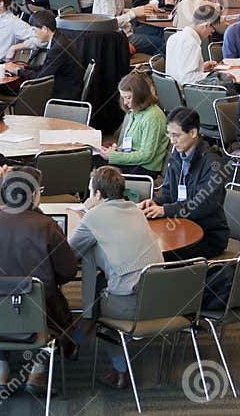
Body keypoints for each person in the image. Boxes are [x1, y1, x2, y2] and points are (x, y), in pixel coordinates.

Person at [69, 166, 164, 389]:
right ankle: (82, 332)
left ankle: (120, 369)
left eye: (90, 192)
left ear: (98, 195)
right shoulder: (134, 209)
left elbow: (68, 254)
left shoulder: (94, 216)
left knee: (99, 310)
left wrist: (87, 210)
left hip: (131, 303)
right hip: (162, 295)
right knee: (102, 277)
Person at [0, 168, 78, 395]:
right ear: (32, 195)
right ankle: (37, 373)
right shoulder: (47, 226)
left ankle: (1, 373)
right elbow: (69, 271)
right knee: (56, 306)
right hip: (39, 314)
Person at [140, 106, 230, 260]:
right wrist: (154, 203)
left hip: (207, 236)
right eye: (169, 135)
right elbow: (168, 193)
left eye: (176, 135)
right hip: (180, 225)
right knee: (145, 247)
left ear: (193, 133)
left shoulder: (212, 163)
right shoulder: (177, 155)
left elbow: (203, 204)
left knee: (157, 256)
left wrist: (165, 210)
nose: (172, 141)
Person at [96, 72, 169, 176]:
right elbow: (132, 144)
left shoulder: (153, 117)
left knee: (94, 165)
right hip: (133, 160)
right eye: (123, 97)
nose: (125, 102)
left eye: (128, 97)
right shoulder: (135, 111)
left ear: (140, 95)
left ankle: (93, 192)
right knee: (90, 159)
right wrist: (118, 150)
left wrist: (114, 156)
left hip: (144, 167)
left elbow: (146, 155)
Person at [11, 10, 85, 101]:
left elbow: (42, 78)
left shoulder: (58, 48)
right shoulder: (60, 38)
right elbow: (46, 68)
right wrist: (25, 68)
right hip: (70, 86)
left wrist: (17, 71)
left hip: (64, 94)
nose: (34, 34)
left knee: (24, 95)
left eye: (34, 30)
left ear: (44, 29)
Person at [165, 4, 226, 85]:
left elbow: (179, 69)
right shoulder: (191, 43)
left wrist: (201, 67)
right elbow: (187, 79)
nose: (211, 34)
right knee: (228, 83)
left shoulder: (173, 38)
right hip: (187, 93)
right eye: (212, 30)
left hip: (173, 91)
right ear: (207, 24)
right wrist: (211, 74)